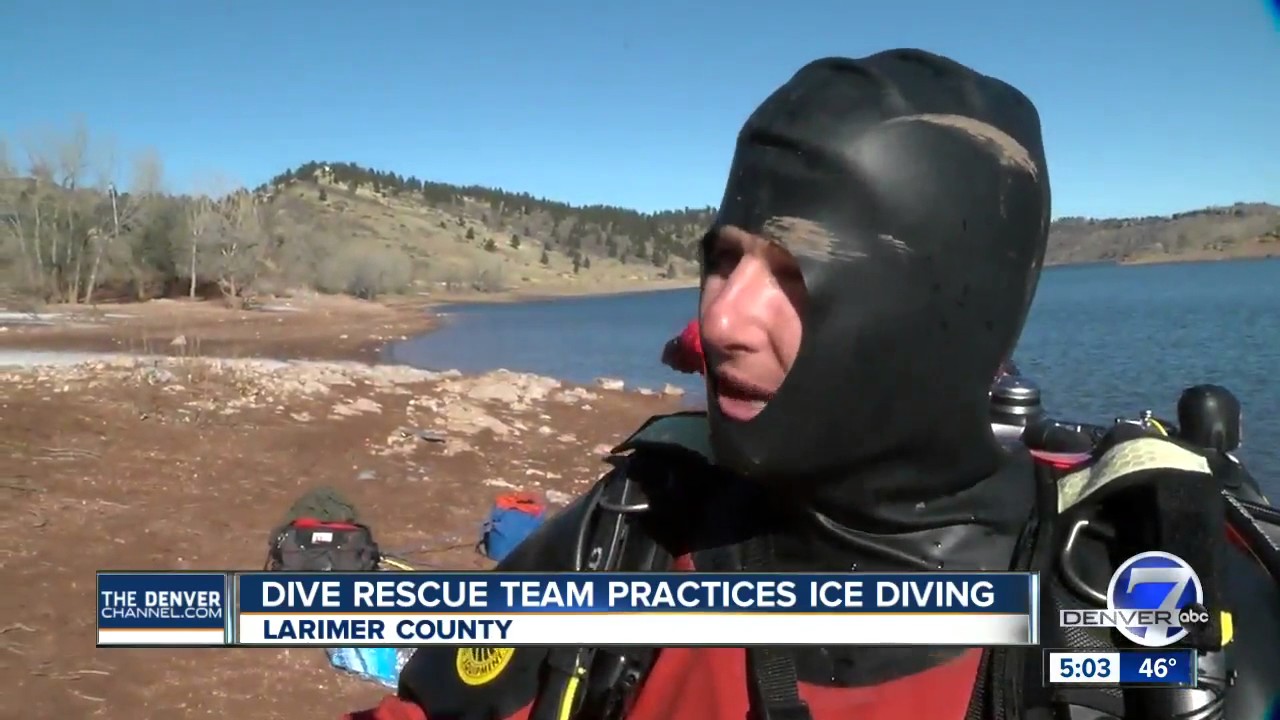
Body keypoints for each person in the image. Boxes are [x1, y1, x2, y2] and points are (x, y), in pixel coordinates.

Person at [348, 49, 1280, 720]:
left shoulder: (1148, 602)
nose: (719, 320)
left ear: (941, 310)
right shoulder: (631, 539)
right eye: (724, 258)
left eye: (796, 273)